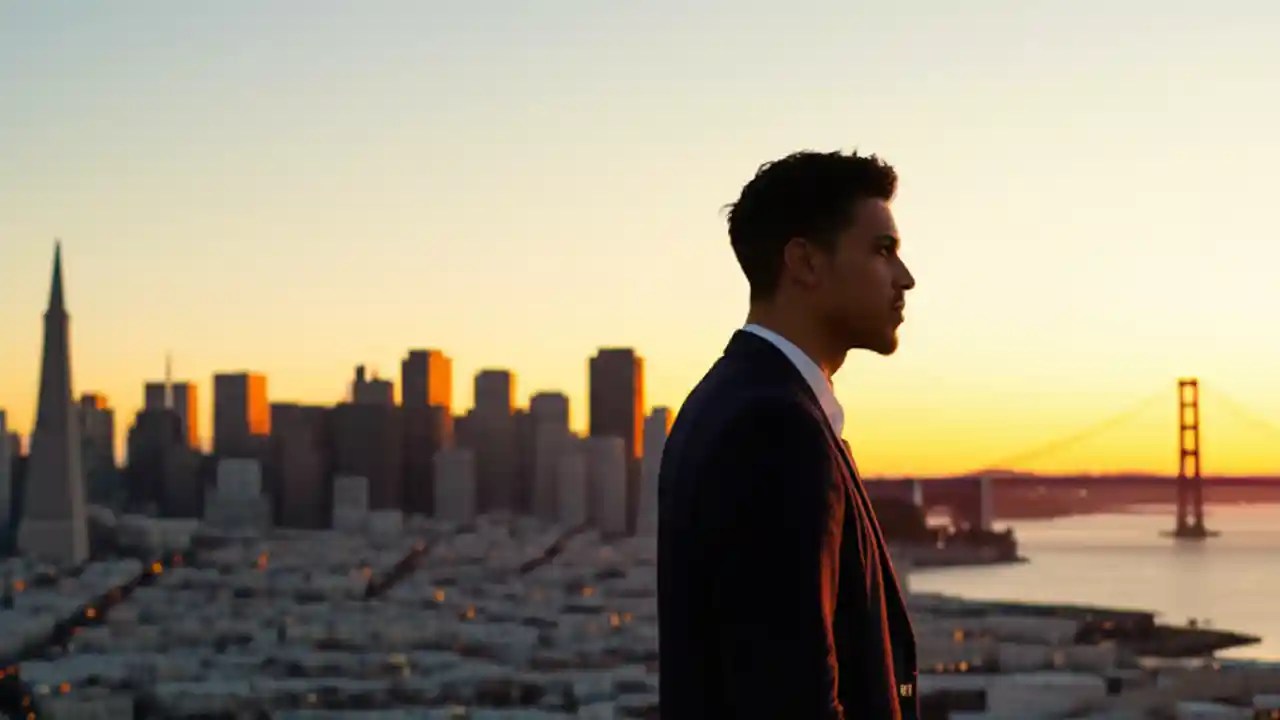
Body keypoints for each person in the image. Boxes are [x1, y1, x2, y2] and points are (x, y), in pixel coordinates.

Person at [657, 150, 919, 719]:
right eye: (882, 250)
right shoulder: (775, 429)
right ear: (804, 262)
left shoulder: (727, 399)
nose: (906, 278)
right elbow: (791, 697)